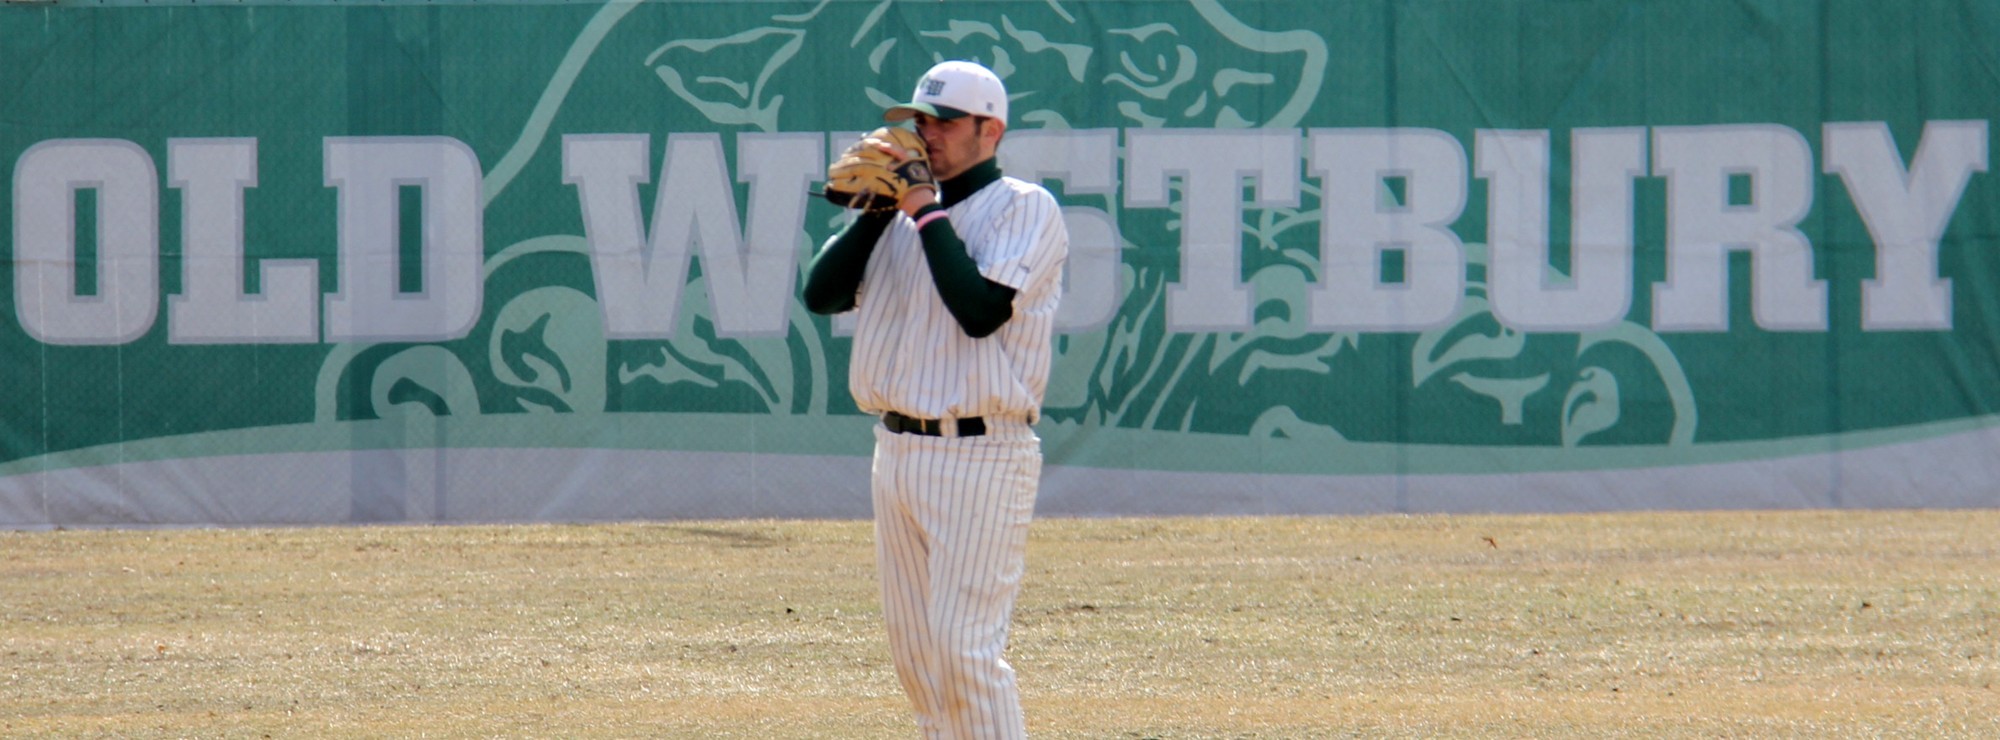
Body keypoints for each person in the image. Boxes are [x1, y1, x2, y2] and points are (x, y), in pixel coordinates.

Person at [802, 59, 1068, 739]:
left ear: (991, 128)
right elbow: (819, 295)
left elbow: (979, 311)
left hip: (982, 454)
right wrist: (875, 214)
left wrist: (922, 209)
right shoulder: (899, 215)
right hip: (896, 451)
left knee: (963, 653)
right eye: (919, 120)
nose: (928, 134)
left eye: (945, 121)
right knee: (921, 662)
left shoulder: (1025, 207)